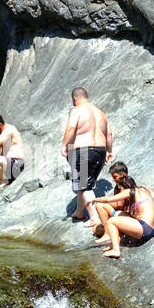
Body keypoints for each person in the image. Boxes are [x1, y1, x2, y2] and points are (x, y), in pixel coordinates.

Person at [61, 86, 114, 222]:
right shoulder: (101, 113)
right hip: (100, 151)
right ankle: (79, 211)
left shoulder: (76, 110)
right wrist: (109, 151)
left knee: (85, 186)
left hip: (84, 151)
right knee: (84, 183)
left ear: (74, 98)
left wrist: (64, 145)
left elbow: (71, 127)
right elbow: (109, 134)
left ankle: (94, 218)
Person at [99, 173, 154, 259]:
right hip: (150, 230)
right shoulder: (144, 190)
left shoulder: (131, 192)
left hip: (144, 228)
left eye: (120, 188)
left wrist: (94, 200)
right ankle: (113, 245)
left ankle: (116, 250)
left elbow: (108, 199)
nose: (120, 192)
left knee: (111, 221)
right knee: (117, 220)